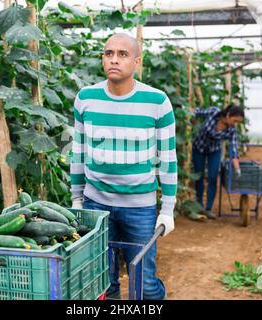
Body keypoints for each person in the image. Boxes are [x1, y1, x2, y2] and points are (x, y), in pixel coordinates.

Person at [69, 33, 177, 300]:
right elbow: (78, 151)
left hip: (140, 208)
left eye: (122, 54)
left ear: (136, 62)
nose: (114, 60)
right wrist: (76, 198)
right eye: (108, 53)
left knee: (146, 288)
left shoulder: (157, 102)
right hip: (96, 204)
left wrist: (168, 209)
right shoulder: (86, 98)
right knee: (104, 285)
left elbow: (168, 157)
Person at [190, 105, 244, 220]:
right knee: (199, 176)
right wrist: (189, 112)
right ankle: (199, 205)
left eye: (238, 122)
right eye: (235, 120)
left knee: (213, 177)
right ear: (228, 115)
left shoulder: (232, 130)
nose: (235, 124)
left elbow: (234, 149)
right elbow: (198, 112)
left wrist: (237, 169)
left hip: (214, 151)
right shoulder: (213, 112)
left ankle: (208, 209)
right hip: (198, 148)